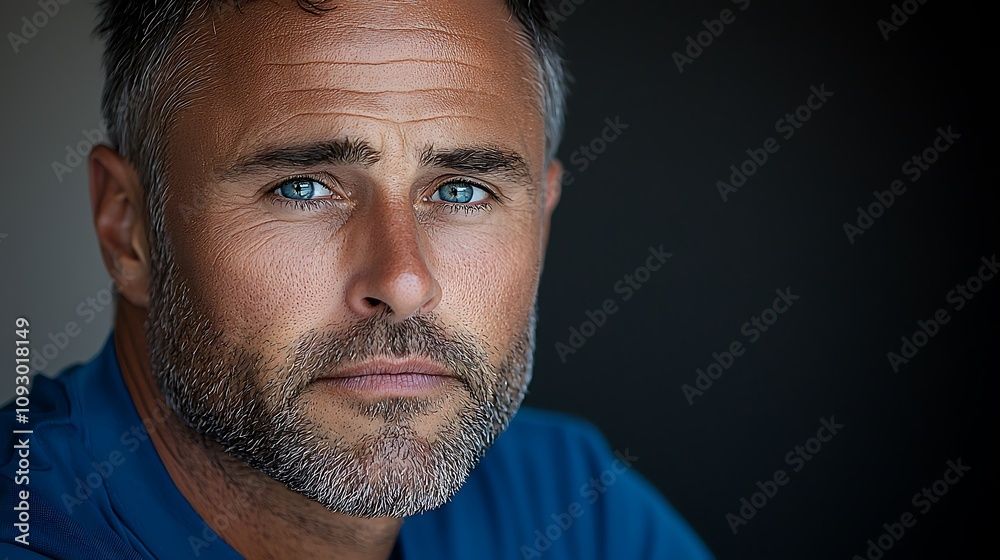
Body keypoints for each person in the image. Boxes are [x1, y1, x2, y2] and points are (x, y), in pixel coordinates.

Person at [0, 0, 713, 558]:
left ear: (543, 220)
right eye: (303, 188)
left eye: (462, 191)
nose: (403, 281)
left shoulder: (570, 508)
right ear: (128, 229)